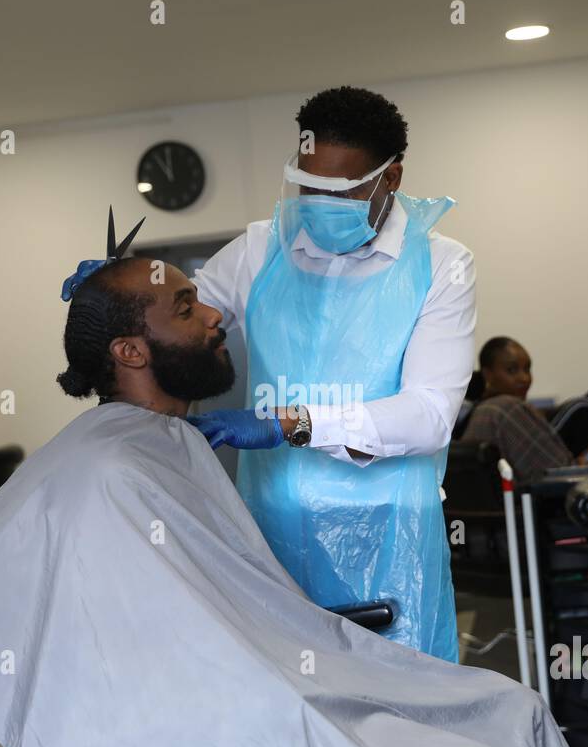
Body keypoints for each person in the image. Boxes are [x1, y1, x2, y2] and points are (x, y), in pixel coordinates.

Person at [0, 211, 588, 747]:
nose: (218, 316)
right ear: (131, 351)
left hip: (265, 690)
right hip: (227, 721)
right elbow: (176, 657)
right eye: (188, 308)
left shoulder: (164, 443)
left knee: (508, 707)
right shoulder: (114, 468)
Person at [188, 86, 475, 662]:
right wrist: (128, 295)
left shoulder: (440, 265)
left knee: (398, 712)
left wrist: (289, 425)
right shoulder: (259, 250)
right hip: (269, 531)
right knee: (292, 710)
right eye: (306, 183)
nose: (317, 200)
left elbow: (428, 416)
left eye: (338, 190)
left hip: (387, 540)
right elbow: (183, 318)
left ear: (390, 178)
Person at [459, 337, 574, 486]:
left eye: (527, 369)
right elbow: (561, 472)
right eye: (512, 370)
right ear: (488, 374)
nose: (524, 378)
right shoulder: (507, 409)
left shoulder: (477, 410)